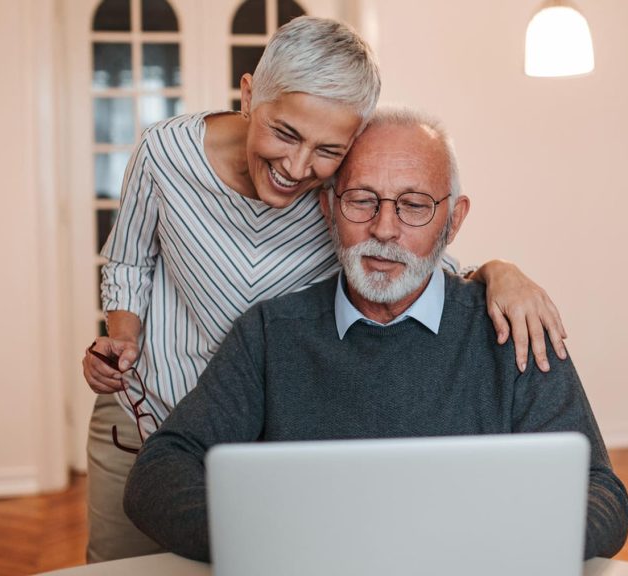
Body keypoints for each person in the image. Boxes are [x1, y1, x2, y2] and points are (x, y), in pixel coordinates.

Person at [81, 16, 568, 562]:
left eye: (327, 149)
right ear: (248, 97)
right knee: (119, 564)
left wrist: (501, 272)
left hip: (254, 427)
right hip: (148, 406)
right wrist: (120, 339)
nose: (296, 166)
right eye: (284, 133)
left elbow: (417, 254)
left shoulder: (337, 195)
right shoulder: (165, 153)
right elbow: (128, 261)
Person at [123, 107, 628, 562]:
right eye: (362, 200)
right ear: (328, 209)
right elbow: (158, 475)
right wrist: (280, 545)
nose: (384, 229)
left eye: (413, 206)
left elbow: (601, 496)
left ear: (453, 221)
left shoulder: (514, 330)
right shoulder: (270, 334)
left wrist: (477, 551)